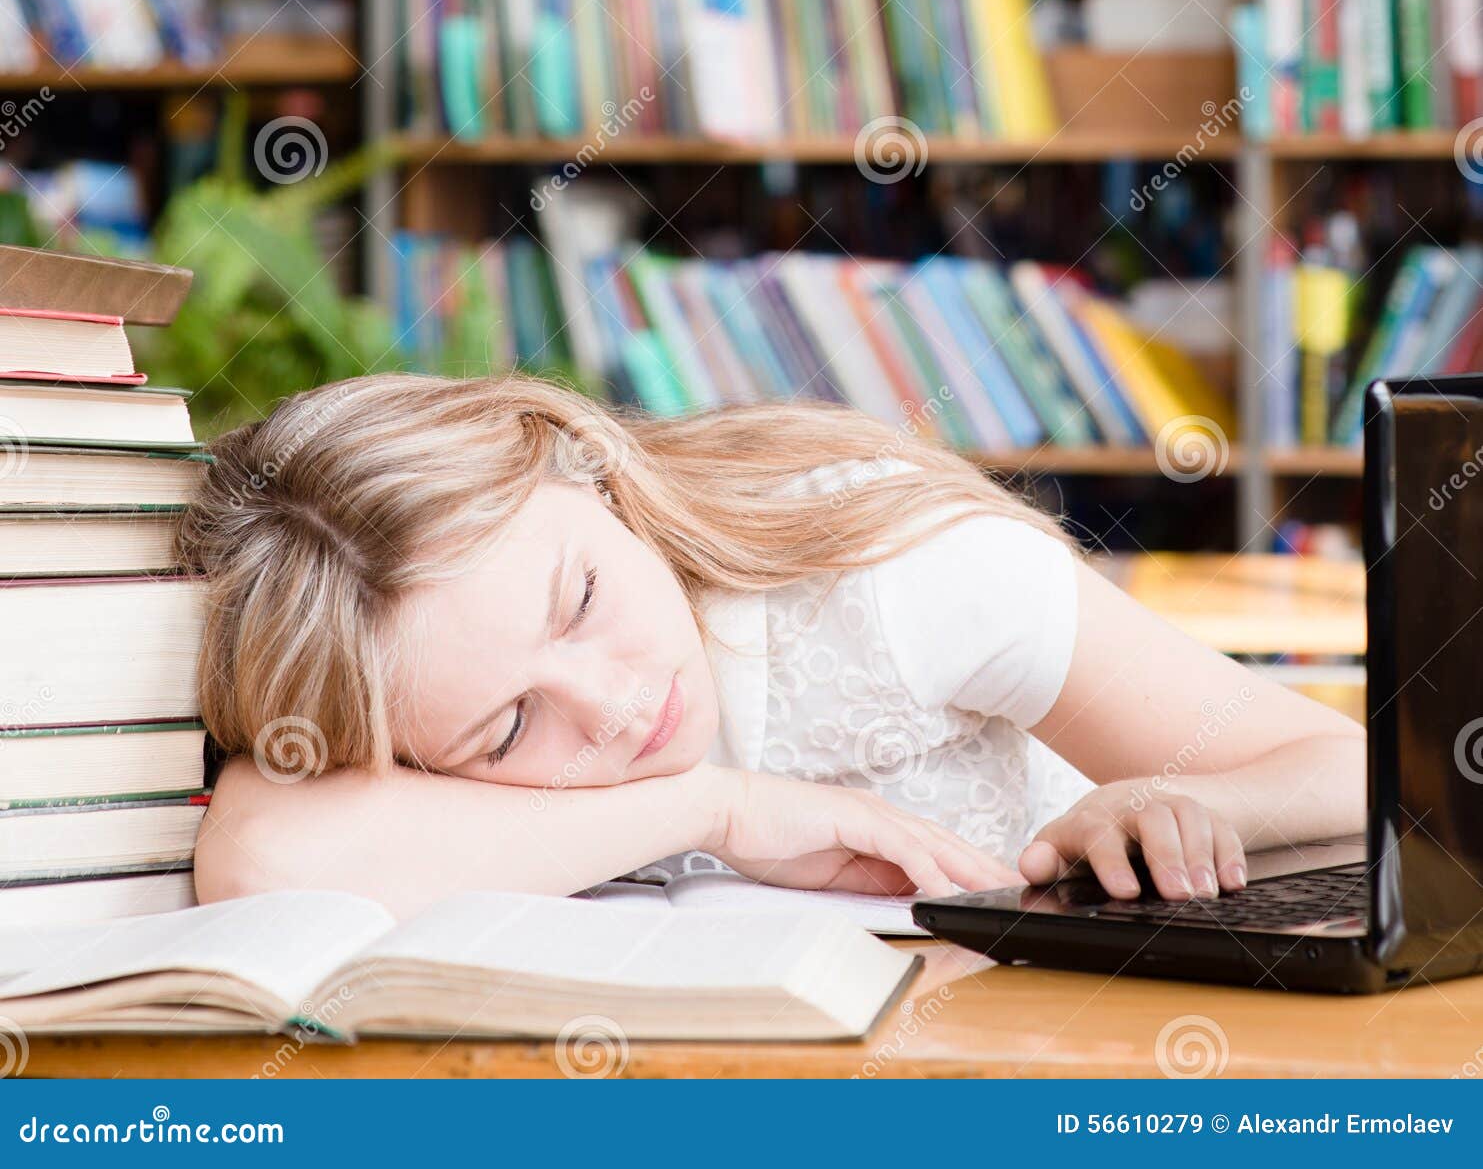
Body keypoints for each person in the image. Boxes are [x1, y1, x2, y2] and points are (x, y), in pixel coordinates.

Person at [181, 373, 1364, 920]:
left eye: (580, 597)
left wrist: (1159, 798)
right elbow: (262, 865)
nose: (607, 706)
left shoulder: (891, 569)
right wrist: (719, 809)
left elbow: (1350, 772)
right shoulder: (413, 716)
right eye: (506, 729)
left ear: (581, 463)